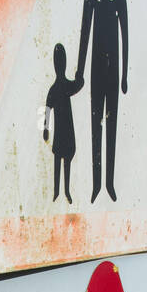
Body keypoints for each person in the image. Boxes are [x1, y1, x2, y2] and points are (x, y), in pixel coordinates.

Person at [74, 0, 128, 202]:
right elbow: (86, 20)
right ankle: (96, 185)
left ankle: (110, 183)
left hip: (114, 60)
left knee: (113, 121)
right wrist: (80, 69)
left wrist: (124, 74)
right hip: (96, 59)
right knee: (96, 120)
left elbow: (126, 27)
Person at [43, 42, 84, 204]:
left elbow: (78, 85)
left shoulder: (65, 85)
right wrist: (45, 129)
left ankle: (66, 190)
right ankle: (56, 191)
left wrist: (80, 78)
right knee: (58, 159)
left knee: (66, 160)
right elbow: (46, 109)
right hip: (60, 130)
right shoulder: (54, 89)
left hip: (67, 129)